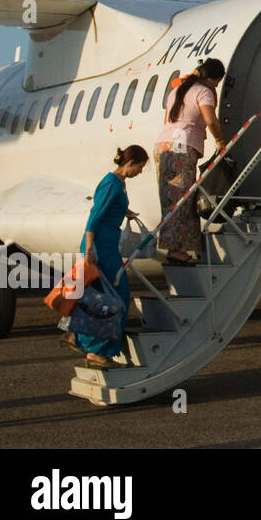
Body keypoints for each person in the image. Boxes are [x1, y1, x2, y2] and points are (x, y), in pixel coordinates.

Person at [71, 146, 149, 368]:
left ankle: (86, 342)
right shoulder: (111, 183)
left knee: (106, 296)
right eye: (140, 168)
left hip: (108, 246)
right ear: (130, 162)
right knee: (112, 298)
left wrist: (125, 212)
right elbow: (94, 218)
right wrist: (88, 250)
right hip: (99, 249)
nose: (140, 172)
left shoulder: (119, 184)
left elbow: (109, 208)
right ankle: (97, 351)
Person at [155, 58, 225, 265]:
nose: (217, 86)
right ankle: (175, 250)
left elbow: (168, 120)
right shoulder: (203, 92)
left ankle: (173, 247)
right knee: (182, 199)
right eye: (217, 82)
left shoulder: (175, 91)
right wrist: (220, 140)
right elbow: (210, 120)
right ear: (210, 78)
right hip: (182, 147)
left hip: (163, 146)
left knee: (170, 199)